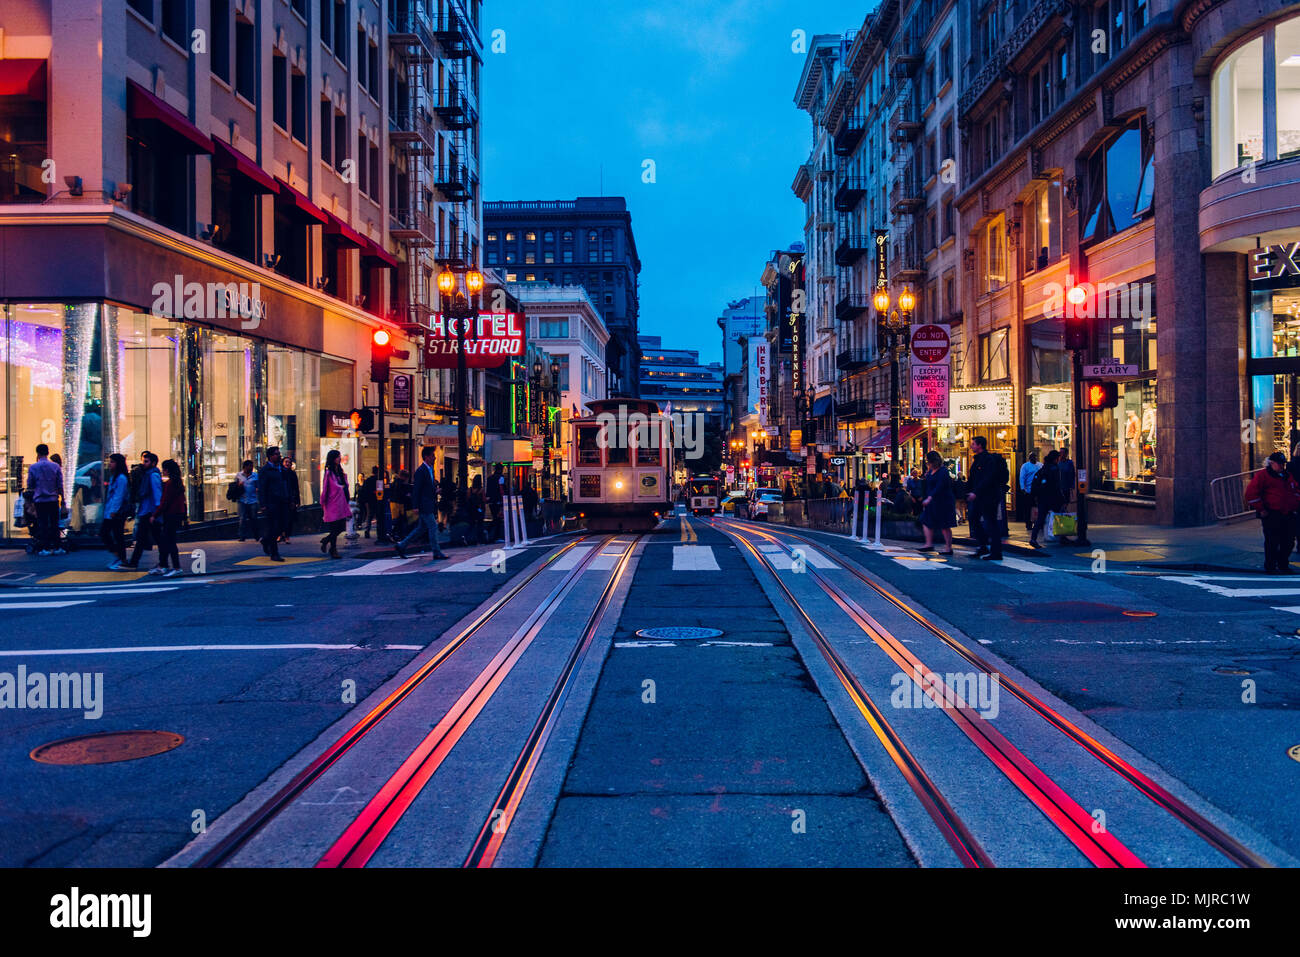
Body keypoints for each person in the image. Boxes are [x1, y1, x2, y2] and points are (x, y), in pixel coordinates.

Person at [1245, 451, 1300, 574]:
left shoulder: (1286, 475)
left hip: (1287, 513)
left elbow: (1295, 490)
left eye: (1283, 464)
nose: (1281, 466)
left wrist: (1295, 504)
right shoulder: (1262, 476)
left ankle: (1282, 564)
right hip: (1272, 513)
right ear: (1271, 463)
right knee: (1272, 541)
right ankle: (1271, 565)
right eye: (1279, 464)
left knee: (1288, 541)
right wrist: (1262, 509)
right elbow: (1251, 494)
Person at [395, 446, 448, 559]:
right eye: (433, 456)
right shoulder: (421, 471)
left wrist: (435, 491)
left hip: (428, 503)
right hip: (424, 505)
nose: (434, 458)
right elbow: (417, 490)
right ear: (426, 457)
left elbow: (426, 488)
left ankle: (401, 545)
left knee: (421, 528)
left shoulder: (430, 470)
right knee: (433, 526)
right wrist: (415, 506)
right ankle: (436, 552)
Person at [965, 436, 1009, 561]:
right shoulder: (977, 459)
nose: (971, 446)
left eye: (973, 444)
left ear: (980, 445)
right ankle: (983, 545)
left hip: (989, 496)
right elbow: (973, 478)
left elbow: (987, 478)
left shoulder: (988, 460)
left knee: (991, 522)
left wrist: (975, 492)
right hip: (979, 496)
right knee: (973, 518)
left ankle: (996, 552)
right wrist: (968, 491)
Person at [126, 451, 163, 569]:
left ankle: (135, 562)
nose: (144, 464)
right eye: (143, 461)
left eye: (146, 462)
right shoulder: (147, 475)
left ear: (153, 463)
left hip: (150, 512)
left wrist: (156, 512)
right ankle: (135, 562)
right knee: (147, 538)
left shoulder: (153, 475)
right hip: (147, 511)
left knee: (153, 538)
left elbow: (157, 495)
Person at [26, 443, 64, 555]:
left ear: (37, 453)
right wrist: (64, 500)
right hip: (53, 499)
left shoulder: (33, 467)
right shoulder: (55, 466)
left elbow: (30, 485)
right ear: (48, 453)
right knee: (54, 523)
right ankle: (57, 547)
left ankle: (45, 548)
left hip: (39, 500)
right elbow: (59, 485)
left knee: (42, 524)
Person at [152, 458, 187, 577]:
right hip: (177, 514)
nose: (162, 471)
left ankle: (175, 567)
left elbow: (164, 502)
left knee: (168, 541)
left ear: (167, 470)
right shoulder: (178, 483)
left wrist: (155, 515)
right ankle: (164, 565)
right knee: (168, 541)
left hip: (170, 515)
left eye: (164, 469)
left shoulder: (169, 484)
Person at [918, 450, 957, 555]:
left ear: (934, 461)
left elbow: (940, 486)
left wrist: (930, 498)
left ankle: (948, 548)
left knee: (944, 524)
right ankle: (929, 543)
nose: (928, 464)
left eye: (929, 462)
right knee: (926, 520)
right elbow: (929, 486)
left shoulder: (943, 471)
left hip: (943, 501)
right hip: (932, 501)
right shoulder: (930, 472)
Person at [1028, 449, 1065, 548]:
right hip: (1052, 497)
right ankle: (1062, 536)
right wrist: (1062, 498)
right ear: (1056, 459)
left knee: (1040, 518)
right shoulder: (1054, 468)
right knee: (1059, 516)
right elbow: (1056, 485)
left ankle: (1033, 538)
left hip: (1042, 498)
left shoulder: (1043, 468)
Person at [257, 447, 289, 562]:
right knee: (273, 527)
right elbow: (262, 488)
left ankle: (266, 540)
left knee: (282, 526)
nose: (279, 456)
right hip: (271, 503)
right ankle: (274, 553)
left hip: (282, 501)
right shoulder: (265, 470)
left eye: (279, 454)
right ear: (270, 456)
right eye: (276, 454)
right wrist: (263, 504)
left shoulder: (281, 469)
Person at [319, 449, 351, 559]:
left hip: (341, 503)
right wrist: (322, 502)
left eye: (340, 456)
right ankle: (333, 550)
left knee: (341, 526)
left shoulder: (340, 471)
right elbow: (326, 487)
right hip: (332, 503)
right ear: (333, 458)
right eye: (338, 456)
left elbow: (344, 485)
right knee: (334, 527)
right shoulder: (329, 472)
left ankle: (326, 540)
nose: (339, 458)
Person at [102, 453, 131, 569]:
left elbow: (119, 496)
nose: (110, 464)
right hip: (110, 511)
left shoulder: (121, 478)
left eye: (112, 462)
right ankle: (119, 556)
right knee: (110, 534)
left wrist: (113, 510)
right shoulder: (114, 477)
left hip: (116, 512)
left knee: (115, 535)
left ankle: (121, 558)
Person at [236, 460, 259, 541]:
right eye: (250, 466)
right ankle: (242, 536)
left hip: (252, 500)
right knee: (242, 519)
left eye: (252, 466)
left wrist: (257, 490)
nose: (251, 468)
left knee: (254, 518)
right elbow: (235, 486)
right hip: (242, 500)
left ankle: (256, 535)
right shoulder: (239, 475)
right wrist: (238, 485)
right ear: (245, 467)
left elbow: (258, 486)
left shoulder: (255, 476)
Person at [1018, 450, 1041, 531]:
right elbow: (1022, 477)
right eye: (1031, 457)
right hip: (1029, 490)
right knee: (1028, 508)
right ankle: (1028, 524)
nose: (1033, 458)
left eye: (1034, 456)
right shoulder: (1025, 466)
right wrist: (1023, 488)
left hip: (1038, 491)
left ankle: (1038, 523)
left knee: (1038, 508)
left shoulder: (1040, 465)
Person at [280, 456, 300, 544]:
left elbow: (296, 487)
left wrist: (297, 500)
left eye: (289, 462)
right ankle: (281, 534)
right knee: (281, 518)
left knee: (289, 519)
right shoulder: (280, 473)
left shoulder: (292, 474)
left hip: (291, 499)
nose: (287, 464)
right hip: (282, 499)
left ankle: (287, 536)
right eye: (286, 462)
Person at [487, 463, 508, 542]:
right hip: (498, 500)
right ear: (501, 469)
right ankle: (495, 535)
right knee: (498, 518)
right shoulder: (501, 478)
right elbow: (501, 489)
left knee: (495, 517)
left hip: (491, 501)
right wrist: (503, 499)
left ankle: (492, 534)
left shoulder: (490, 478)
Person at [468, 474, 487, 545]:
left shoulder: (470, 489)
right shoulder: (481, 490)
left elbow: (468, 498)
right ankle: (480, 540)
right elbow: (484, 500)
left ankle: (469, 538)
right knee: (480, 524)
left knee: (472, 524)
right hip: (480, 509)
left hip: (472, 509)